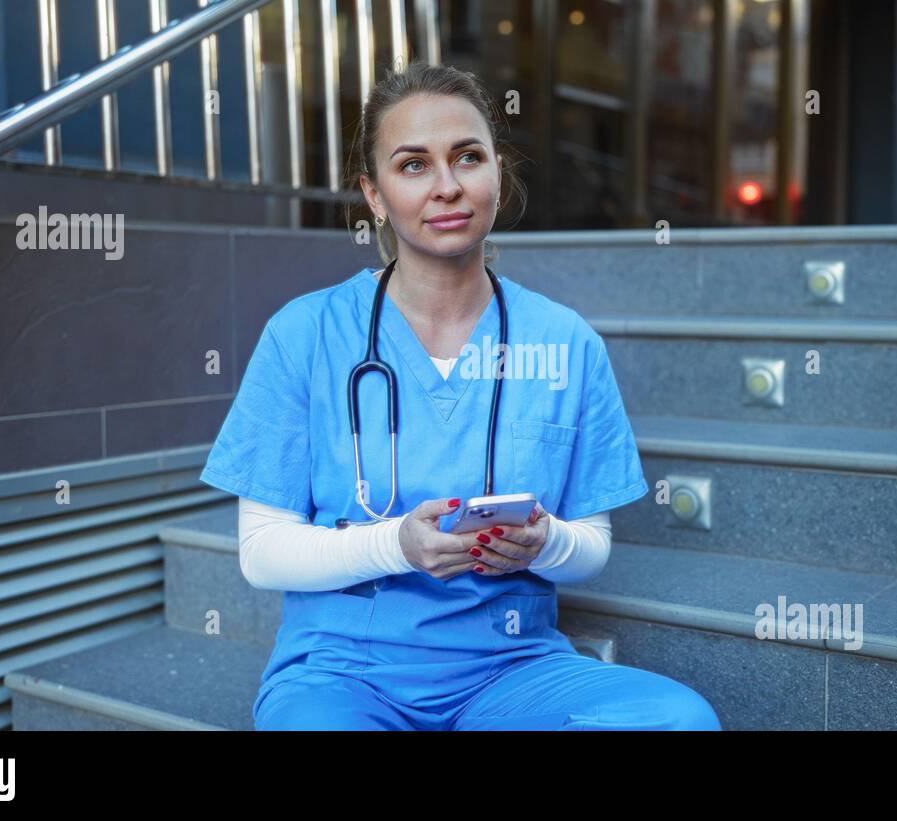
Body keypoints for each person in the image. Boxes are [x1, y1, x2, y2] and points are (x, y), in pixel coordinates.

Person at [199, 60, 721, 731]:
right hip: (344, 675)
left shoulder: (564, 342)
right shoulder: (304, 334)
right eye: (413, 165)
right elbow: (261, 552)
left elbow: (592, 542)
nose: (447, 186)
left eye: (467, 157)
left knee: (681, 720)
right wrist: (396, 546)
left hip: (510, 669)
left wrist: (544, 542)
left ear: (497, 173)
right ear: (376, 194)